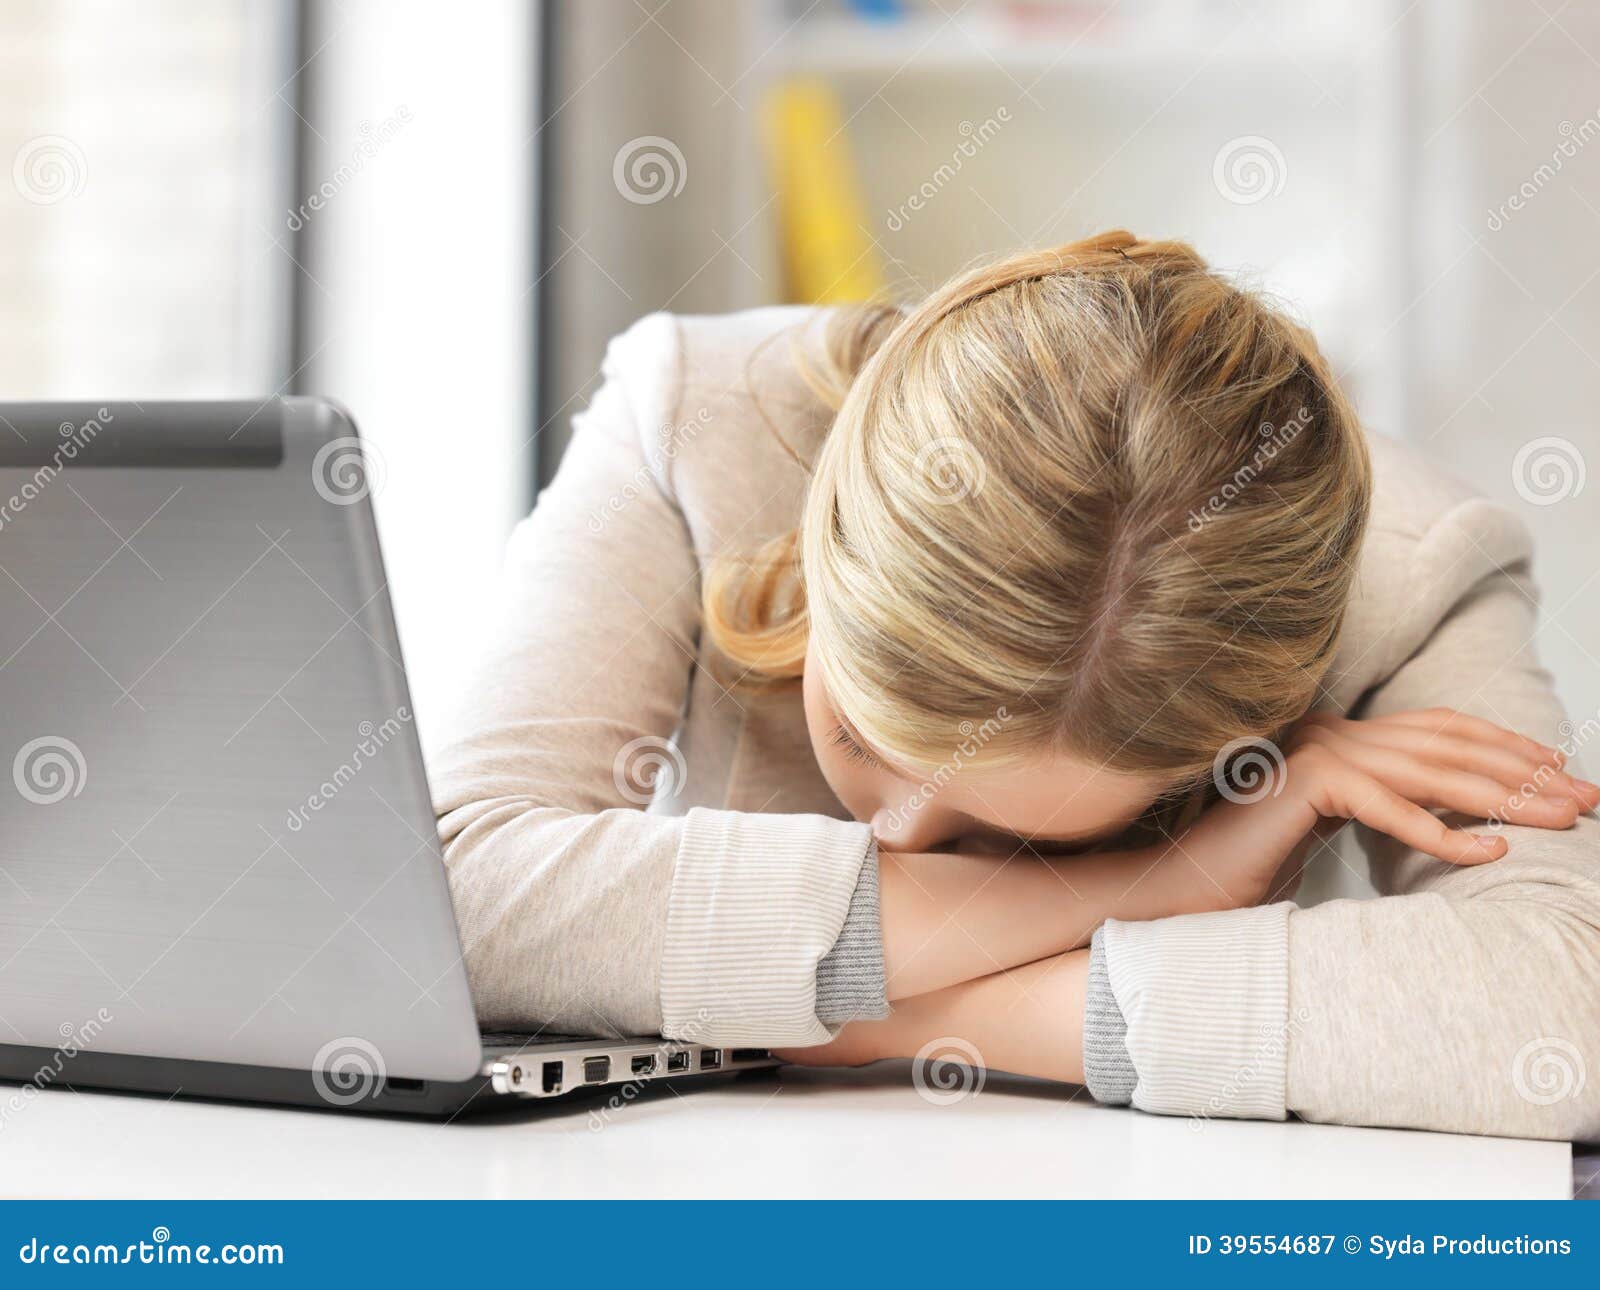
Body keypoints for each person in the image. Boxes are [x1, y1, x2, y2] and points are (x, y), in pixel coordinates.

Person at [431, 231, 1599, 1140]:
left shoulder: (1416, 569)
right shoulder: (700, 412)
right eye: (869, 735)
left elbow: (1568, 1014)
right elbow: (449, 893)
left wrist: (895, 1020)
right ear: (828, 519)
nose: (900, 835)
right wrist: (1153, 878)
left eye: (1012, 833)